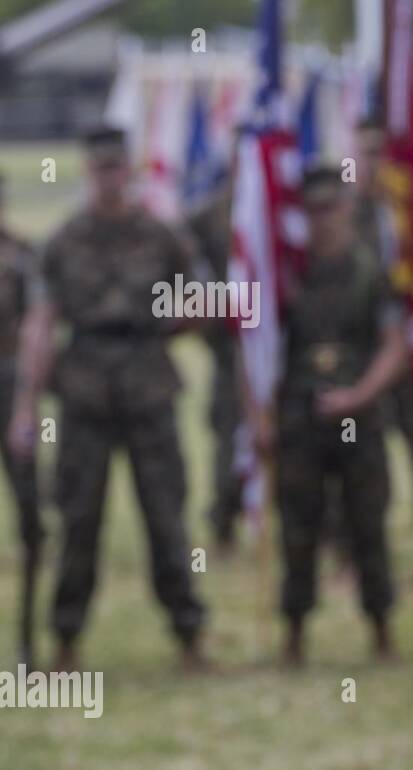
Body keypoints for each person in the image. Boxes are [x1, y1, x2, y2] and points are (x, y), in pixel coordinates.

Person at [7, 126, 207, 670]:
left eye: (118, 167)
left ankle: (189, 635)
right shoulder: (63, 242)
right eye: (100, 169)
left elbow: (197, 303)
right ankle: (66, 641)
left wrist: (163, 327)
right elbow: (41, 325)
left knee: (167, 517)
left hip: (148, 386)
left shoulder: (162, 237)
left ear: (131, 171)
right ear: (87, 172)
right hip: (85, 393)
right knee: (78, 519)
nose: (110, 179)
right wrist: (26, 409)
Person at [255, 164, 410, 665]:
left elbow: (394, 346)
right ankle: (294, 633)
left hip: (359, 423)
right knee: (298, 529)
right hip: (299, 421)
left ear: (347, 209)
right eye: (313, 209)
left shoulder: (370, 271)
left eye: (332, 207)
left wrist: (359, 395)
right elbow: (253, 350)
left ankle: (381, 627)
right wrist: (257, 415)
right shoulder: (283, 274)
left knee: (368, 524)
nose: (323, 219)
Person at [355, 116, 413, 540]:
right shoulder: (346, 215)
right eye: (366, 152)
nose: (374, 162)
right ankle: (359, 546)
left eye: (381, 152)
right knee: (361, 453)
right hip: (365, 353)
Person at [186, 174, 243, 550]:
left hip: (286, 343)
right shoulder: (205, 217)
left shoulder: (285, 203)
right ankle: (223, 521)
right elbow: (183, 273)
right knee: (230, 439)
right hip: (230, 349)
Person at [0, 173, 44, 655]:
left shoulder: (22, 258)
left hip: (10, 389)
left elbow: (38, 327)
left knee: (31, 521)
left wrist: (25, 409)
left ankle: (26, 645)